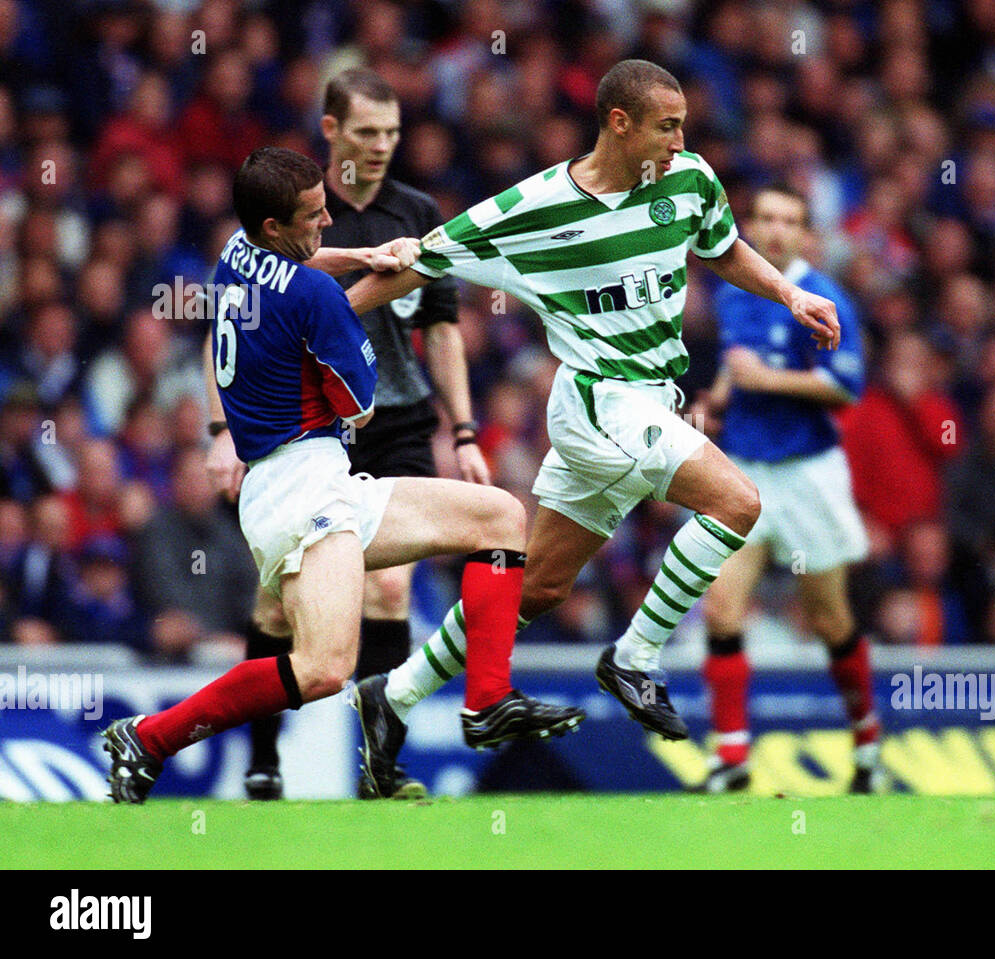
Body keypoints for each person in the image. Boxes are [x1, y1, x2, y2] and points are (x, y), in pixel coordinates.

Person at [341, 59, 841, 770]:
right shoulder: (536, 206)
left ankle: (393, 694)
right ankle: (634, 656)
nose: (680, 141)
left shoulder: (689, 180)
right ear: (619, 123)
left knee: (537, 588)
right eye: (667, 127)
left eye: (683, 126)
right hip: (600, 400)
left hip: (651, 400)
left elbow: (722, 248)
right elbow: (420, 262)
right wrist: (323, 320)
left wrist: (790, 295)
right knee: (737, 502)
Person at [101, 148, 583, 804]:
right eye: (314, 215)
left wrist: (360, 257)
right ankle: (150, 737)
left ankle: (489, 699)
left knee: (499, 516)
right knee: (324, 669)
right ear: (274, 226)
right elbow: (361, 405)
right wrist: (346, 310)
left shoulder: (236, 252)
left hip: (302, 480)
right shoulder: (317, 298)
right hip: (304, 491)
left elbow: (296, 270)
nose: (329, 220)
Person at [206, 68, 490, 801]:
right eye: (367, 131)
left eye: (393, 132)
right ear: (331, 131)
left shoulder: (415, 211)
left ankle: (379, 763)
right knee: (278, 605)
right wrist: (220, 429)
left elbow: (442, 330)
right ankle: (263, 760)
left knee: (390, 590)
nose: (382, 145)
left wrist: (464, 429)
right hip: (310, 425)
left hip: (395, 418)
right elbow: (254, 320)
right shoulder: (294, 204)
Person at [689, 184, 880, 793]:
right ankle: (731, 759)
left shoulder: (825, 298)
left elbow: (845, 387)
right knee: (721, 607)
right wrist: (717, 400)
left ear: (805, 234)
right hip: (743, 470)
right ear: (749, 225)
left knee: (829, 620)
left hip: (806, 471)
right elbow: (735, 362)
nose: (775, 230)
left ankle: (867, 744)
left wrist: (767, 381)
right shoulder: (732, 291)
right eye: (766, 218)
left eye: (788, 220)